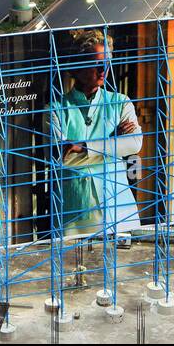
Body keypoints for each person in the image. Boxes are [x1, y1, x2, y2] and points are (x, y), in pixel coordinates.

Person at [51, 28, 142, 237]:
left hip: (119, 210)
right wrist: (112, 143)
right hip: (76, 213)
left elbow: (134, 144)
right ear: (77, 66)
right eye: (96, 62)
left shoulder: (120, 102)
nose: (103, 69)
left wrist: (83, 147)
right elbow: (61, 159)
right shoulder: (55, 108)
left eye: (107, 62)